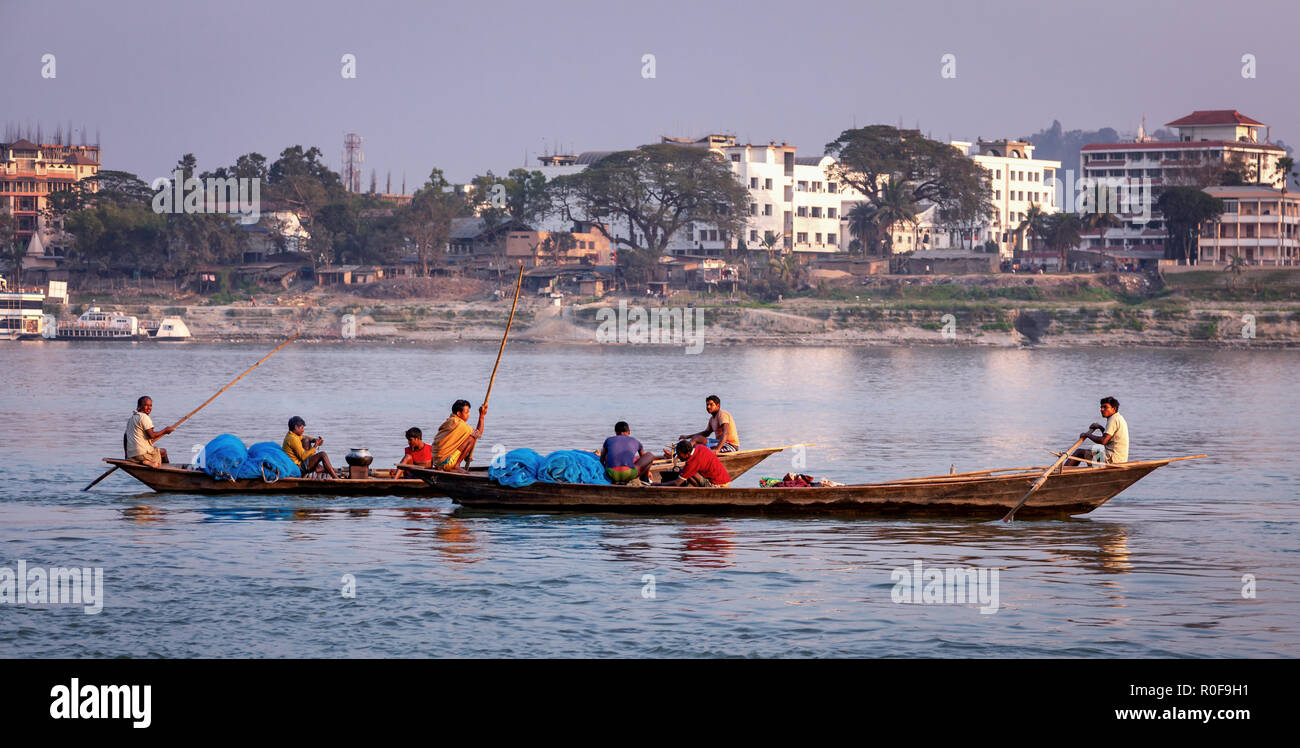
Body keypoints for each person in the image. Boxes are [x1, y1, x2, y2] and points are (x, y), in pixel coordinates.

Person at [1066, 396, 1129, 466]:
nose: (1102, 409)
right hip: (1118, 458)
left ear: (1114, 409)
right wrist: (1100, 427)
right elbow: (1108, 438)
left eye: (1105, 407)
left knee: (1079, 452)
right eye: (1101, 407)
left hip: (1111, 459)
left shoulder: (1113, 419)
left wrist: (1087, 435)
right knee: (1089, 451)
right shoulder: (1118, 417)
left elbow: (1103, 441)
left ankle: (1062, 473)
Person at [433, 399, 486, 472]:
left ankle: (455, 464)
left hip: (437, 463)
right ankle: (456, 465)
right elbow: (478, 434)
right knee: (472, 438)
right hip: (445, 463)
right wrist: (482, 416)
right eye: (466, 412)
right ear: (459, 413)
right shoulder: (460, 425)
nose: (468, 415)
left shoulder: (450, 421)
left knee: (467, 436)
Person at [659, 439, 731, 487]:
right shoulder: (700, 447)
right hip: (726, 480)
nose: (679, 457)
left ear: (687, 454)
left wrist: (659, 484)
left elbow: (677, 483)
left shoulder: (692, 462)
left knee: (687, 473)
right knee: (686, 471)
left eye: (680, 455)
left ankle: (701, 491)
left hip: (718, 485)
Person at [125, 396, 173, 467]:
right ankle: (167, 469)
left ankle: (144, 461)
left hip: (132, 455)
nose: (149, 408)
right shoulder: (144, 417)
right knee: (163, 452)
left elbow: (125, 437)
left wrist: (126, 454)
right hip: (142, 454)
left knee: (154, 450)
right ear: (139, 406)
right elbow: (152, 435)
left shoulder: (131, 419)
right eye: (146, 405)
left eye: (150, 405)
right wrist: (165, 431)